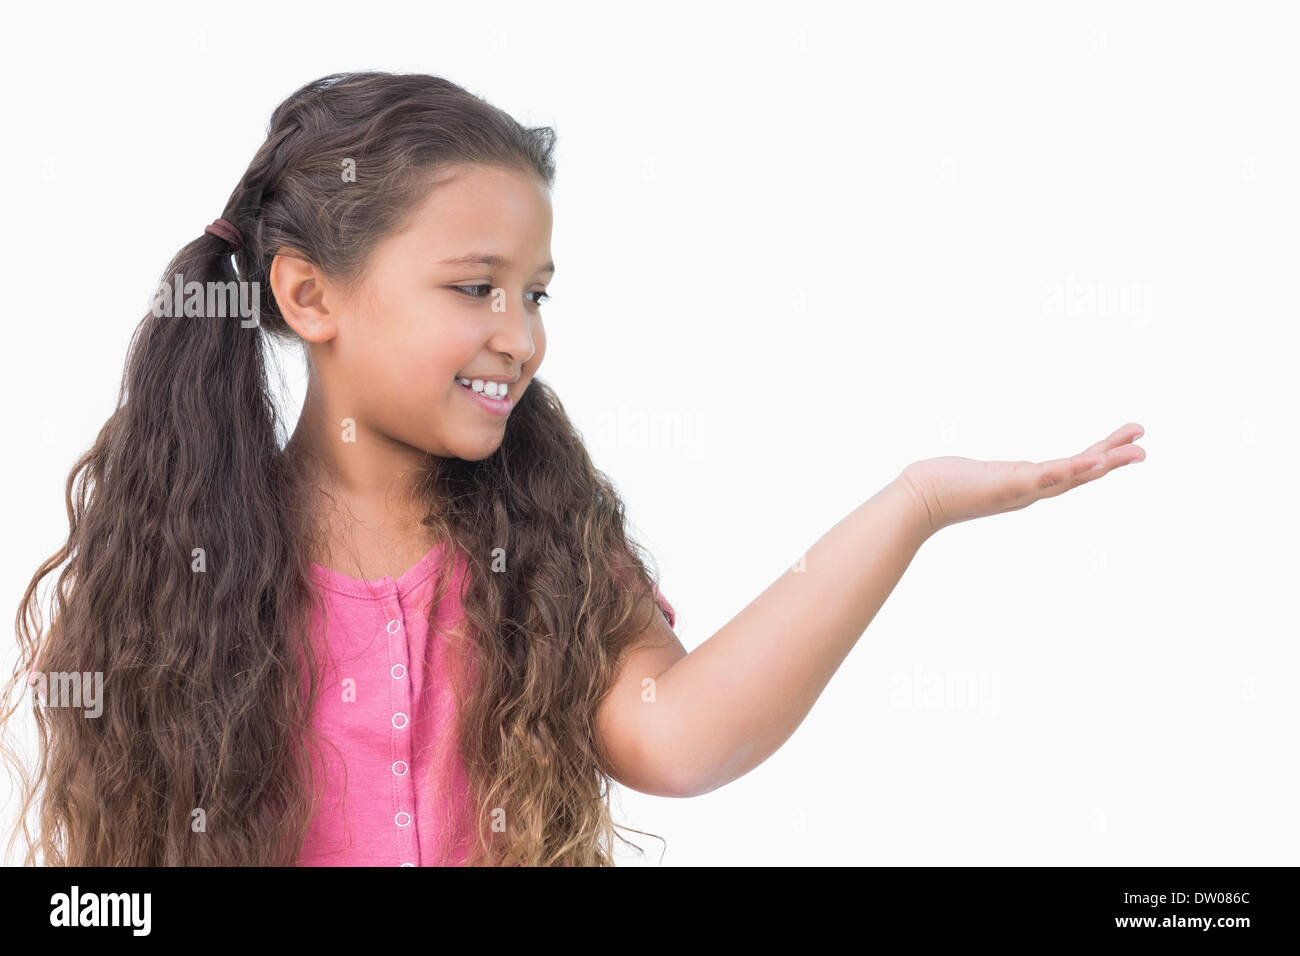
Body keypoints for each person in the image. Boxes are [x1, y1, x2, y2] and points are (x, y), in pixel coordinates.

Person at [3, 71, 1145, 867]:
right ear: (311, 295)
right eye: (474, 287)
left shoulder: (540, 544)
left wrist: (915, 502)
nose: (522, 334)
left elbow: (681, 736)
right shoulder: (170, 571)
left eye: (534, 292)